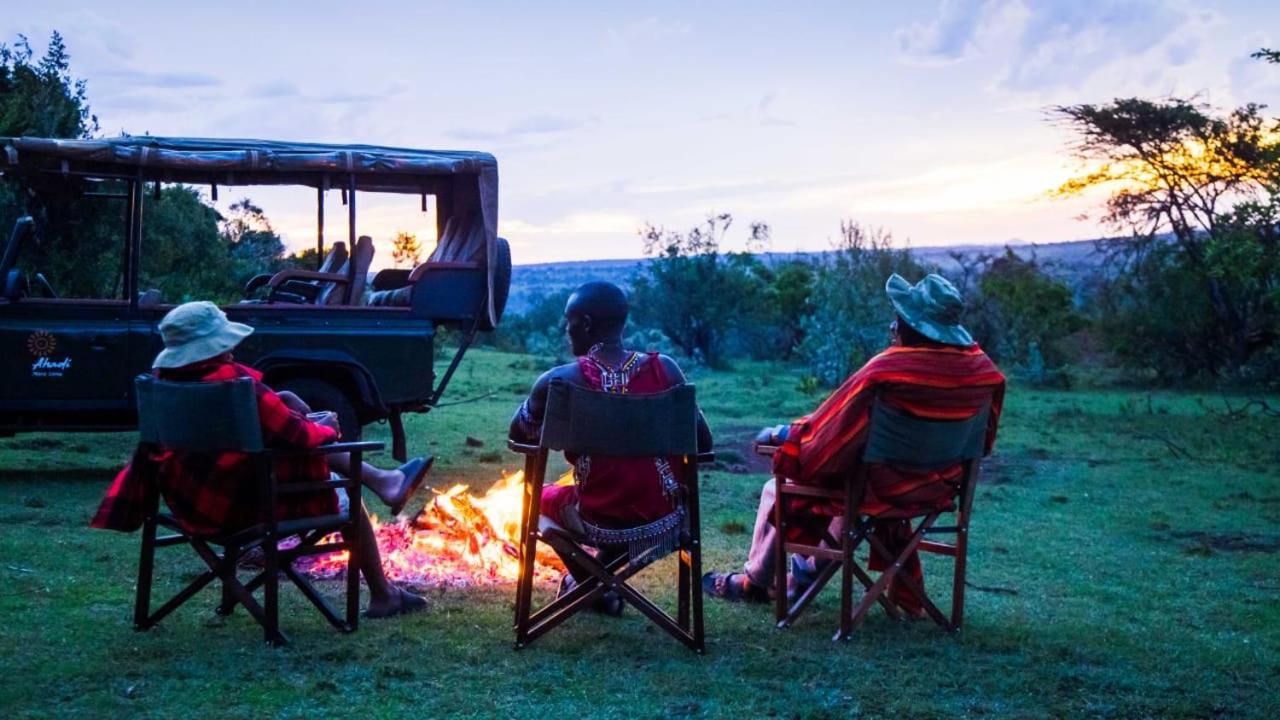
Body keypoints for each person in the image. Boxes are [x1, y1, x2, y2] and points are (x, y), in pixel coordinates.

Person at [92, 301, 432, 618]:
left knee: (294, 440)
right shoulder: (238, 388)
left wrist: (281, 399)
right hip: (243, 510)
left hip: (188, 504)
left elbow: (242, 429)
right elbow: (300, 439)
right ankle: (384, 593)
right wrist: (325, 427)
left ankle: (386, 482)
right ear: (220, 345)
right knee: (345, 490)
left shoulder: (162, 386)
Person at [702, 274, 1006, 616]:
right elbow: (983, 442)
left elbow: (830, 430)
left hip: (879, 489)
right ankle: (797, 581)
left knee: (786, 487)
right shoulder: (985, 372)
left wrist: (784, 435)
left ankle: (753, 583)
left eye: (898, 320)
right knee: (849, 487)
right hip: (935, 489)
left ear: (912, 327)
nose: (893, 328)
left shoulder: (888, 370)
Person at [509, 281, 712, 615]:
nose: (566, 329)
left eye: (569, 321)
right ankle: (595, 587)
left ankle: (590, 588)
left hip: (597, 519)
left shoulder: (558, 381)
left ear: (586, 324)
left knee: (536, 497)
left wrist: (537, 399)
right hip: (665, 517)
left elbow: (520, 433)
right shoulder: (668, 370)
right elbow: (703, 444)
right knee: (629, 496)